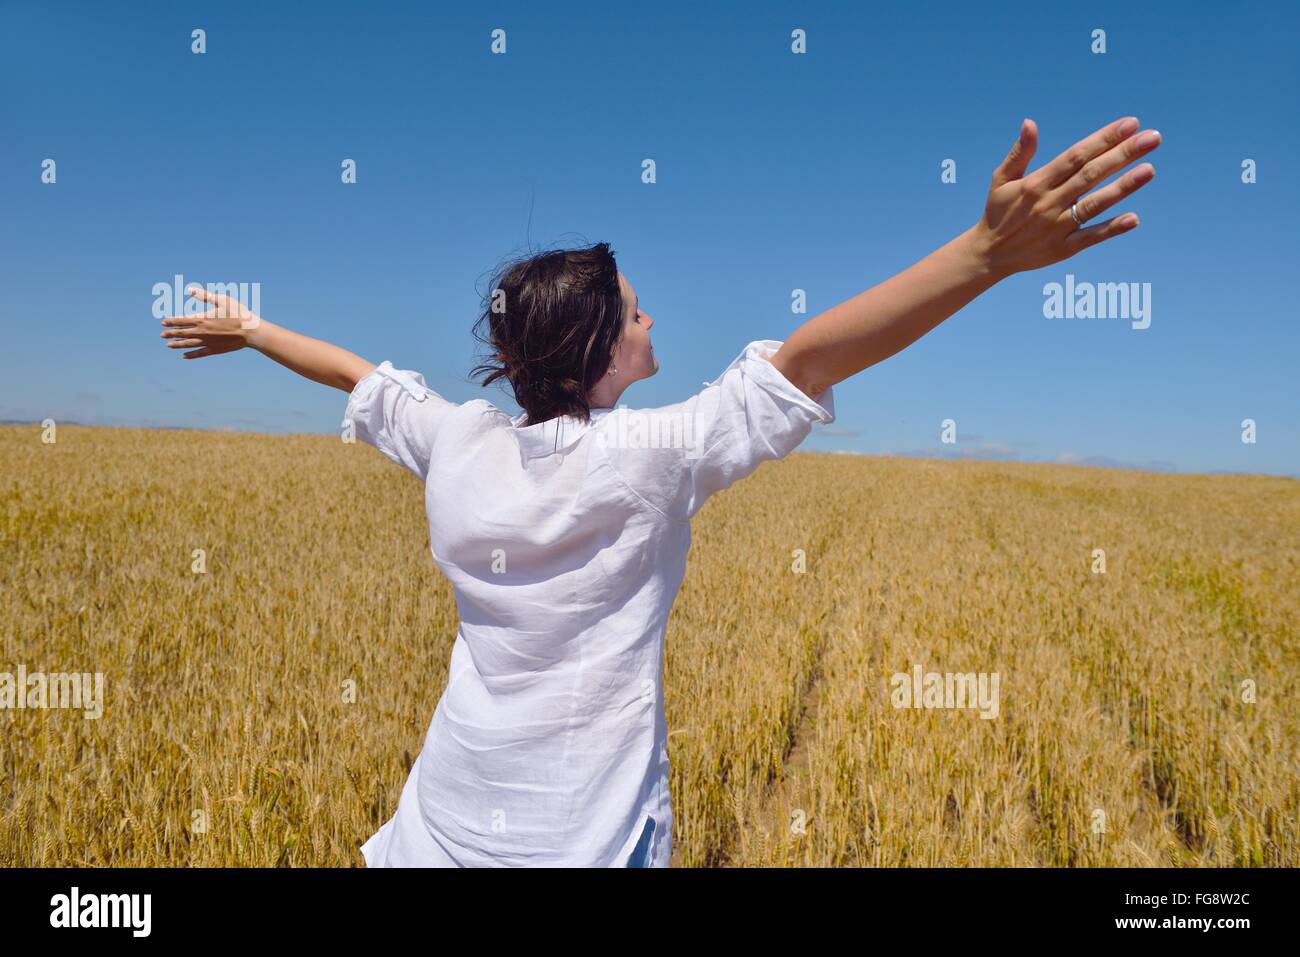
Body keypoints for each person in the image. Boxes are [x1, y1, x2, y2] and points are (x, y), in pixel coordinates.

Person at [158, 116, 1160, 866]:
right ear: (601, 347)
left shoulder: (456, 443)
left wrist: (251, 332)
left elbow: (353, 375)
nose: (651, 317)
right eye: (636, 312)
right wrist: (982, 256)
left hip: (442, 824)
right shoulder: (653, 457)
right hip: (585, 841)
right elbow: (809, 359)